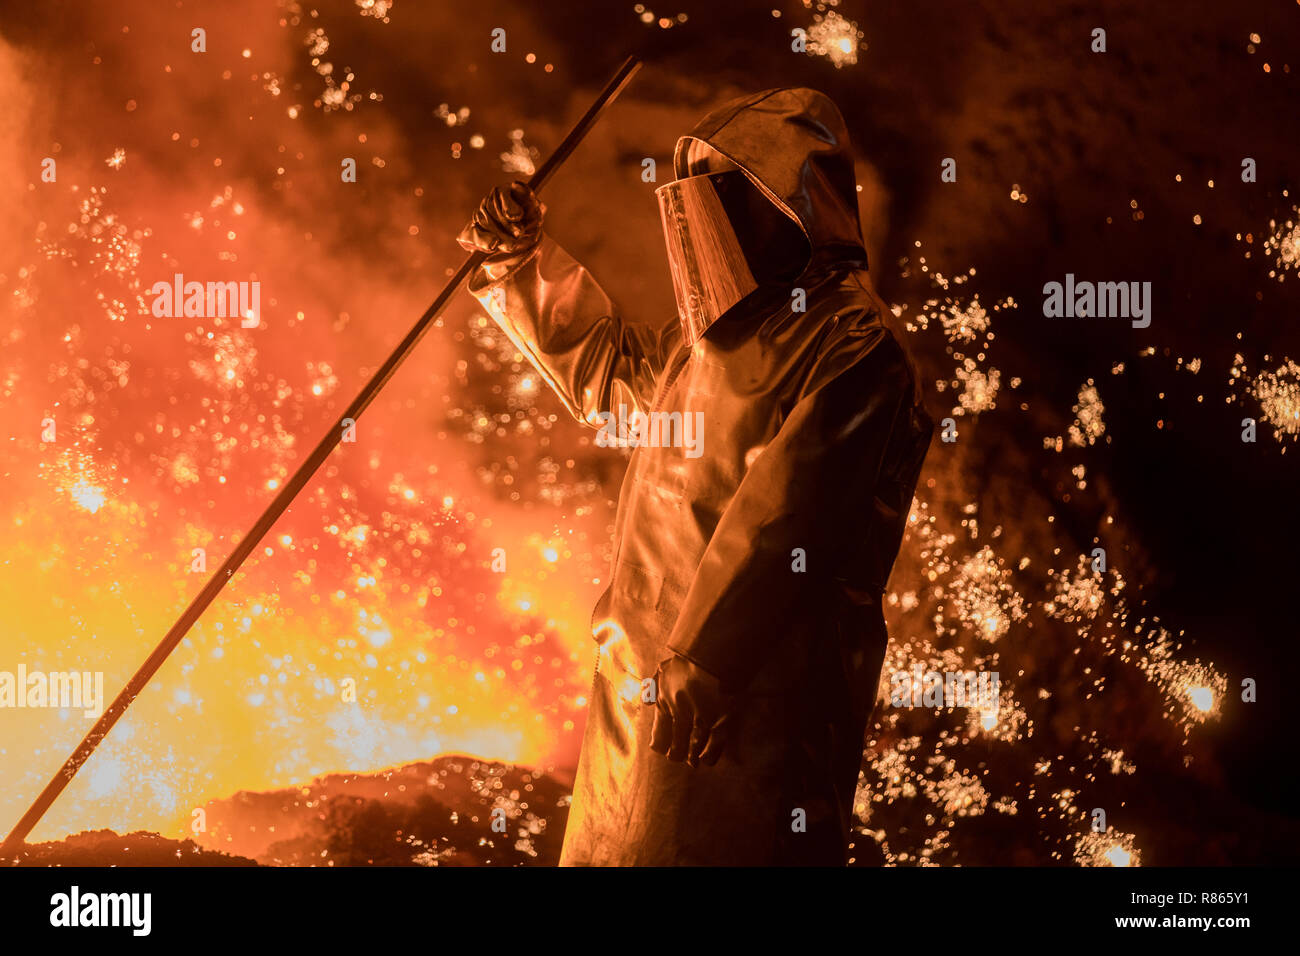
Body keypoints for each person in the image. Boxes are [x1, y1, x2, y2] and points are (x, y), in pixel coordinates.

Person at [457, 87, 932, 865]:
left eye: (727, 194)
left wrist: (712, 656)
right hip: (643, 674)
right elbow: (607, 372)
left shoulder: (852, 343)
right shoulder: (710, 339)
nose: (705, 218)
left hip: (747, 693)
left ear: (788, 206)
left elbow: (790, 515)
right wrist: (519, 264)